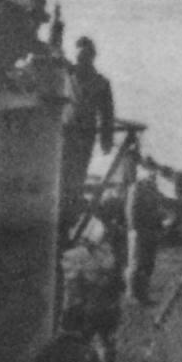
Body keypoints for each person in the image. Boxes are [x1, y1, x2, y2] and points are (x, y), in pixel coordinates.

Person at [61, 36, 116, 228]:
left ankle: (69, 217)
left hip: (85, 134)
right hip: (65, 132)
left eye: (84, 57)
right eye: (78, 57)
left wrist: (106, 140)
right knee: (62, 172)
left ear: (91, 57)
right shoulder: (67, 73)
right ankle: (63, 211)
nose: (80, 62)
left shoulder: (101, 83)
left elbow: (107, 114)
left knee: (78, 174)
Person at [128, 164, 166, 303]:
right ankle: (136, 295)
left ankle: (142, 293)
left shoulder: (153, 189)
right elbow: (133, 211)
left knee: (148, 264)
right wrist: (135, 230)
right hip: (141, 231)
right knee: (139, 264)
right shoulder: (138, 188)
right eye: (151, 173)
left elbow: (159, 205)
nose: (153, 175)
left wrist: (161, 219)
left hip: (151, 231)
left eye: (154, 173)